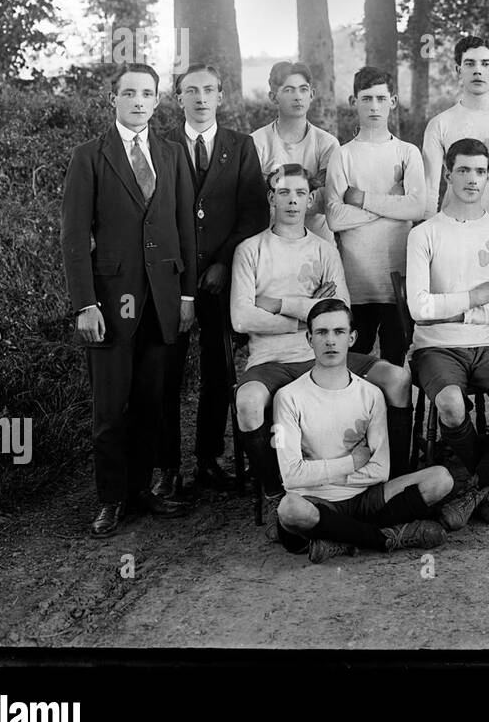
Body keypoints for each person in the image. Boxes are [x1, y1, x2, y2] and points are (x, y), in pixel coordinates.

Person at [231, 164, 413, 521]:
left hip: (328, 354)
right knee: (249, 402)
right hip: (272, 360)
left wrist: (279, 303)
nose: (292, 201)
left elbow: (340, 312)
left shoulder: (324, 250)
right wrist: (310, 312)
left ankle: (394, 480)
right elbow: (241, 318)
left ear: (311, 199)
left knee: (398, 379)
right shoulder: (249, 251)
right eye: (283, 193)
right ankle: (274, 491)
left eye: (300, 193)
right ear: (271, 198)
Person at [61, 62, 197, 538]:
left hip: (162, 300)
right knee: (110, 407)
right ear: (113, 99)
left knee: (151, 402)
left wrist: (186, 294)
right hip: (110, 302)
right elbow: (75, 237)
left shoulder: (172, 153)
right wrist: (85, 304)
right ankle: (111, 499)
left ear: (158, 101)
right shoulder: (90, 157)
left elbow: (184, 229)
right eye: (130, 93)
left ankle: (142, 491)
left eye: (148, 94)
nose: (139, 101)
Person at [406, 138, 489, 530]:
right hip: (435, 348)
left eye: (480, 171)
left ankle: (476, 487)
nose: (472, 179)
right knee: (450, 404)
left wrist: (449, 309)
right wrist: (475, 298)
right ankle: (488, 483)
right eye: (463, 169)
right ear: (447, 173)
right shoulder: (424, 234)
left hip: (486, 346)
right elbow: (418, 309)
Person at [157, 62, 266, 498]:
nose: (200, 99)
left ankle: (207, 458)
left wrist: (224, 262)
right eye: (191, 91)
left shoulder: (240, 147)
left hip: (221, 280)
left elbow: (254, 210)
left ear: (222, 96)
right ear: (177, 97)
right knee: (166, 372)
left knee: (218, 371)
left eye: (209, 90)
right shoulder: (162, 149)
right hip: (173, 280)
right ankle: (165, 467)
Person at [273, 299, 452, 563]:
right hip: (318, 503)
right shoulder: (288, 397)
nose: (330, 341)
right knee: (289, 510)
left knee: (441, 479)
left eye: (339, 332)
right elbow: (291, 477)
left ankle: (339, 539)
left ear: (353, 338)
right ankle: (382, 538)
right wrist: (352, 462)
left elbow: (380, 470)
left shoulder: (370, 394)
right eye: (321, 333)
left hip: (366, 499)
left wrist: (323, 474)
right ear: (309, 339)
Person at [324, 67, 427, 366]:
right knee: (354, 362)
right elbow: (335, 218)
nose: (374, 106)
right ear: (352, 100)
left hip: (398, 279)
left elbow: (416, 208)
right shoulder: (342, 155)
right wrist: (391, 201)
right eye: (366, 98)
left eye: (381, 98)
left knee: (395, 362)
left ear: (393, 101)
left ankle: (396, 415)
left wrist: (362, 198)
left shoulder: (408, 153)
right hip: (355, 283)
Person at [421, 36, 489, 229]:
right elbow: (429, 189)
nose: (478, 70)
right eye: (470, 64)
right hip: (451, 229)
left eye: (486, 64)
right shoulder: (439, 123)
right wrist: (430, 231)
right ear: (459, 70)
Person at [250, 61, 339, 241]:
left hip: (318, 243)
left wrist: (277, 191)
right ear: (274, 97)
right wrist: (309, 188)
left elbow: (326, 200)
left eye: (303, 89)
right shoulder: (256, 143)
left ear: (311, 94)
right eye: (289, 90)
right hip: (271, 241)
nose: (298, 96)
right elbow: (254, 200)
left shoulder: (327, 144)